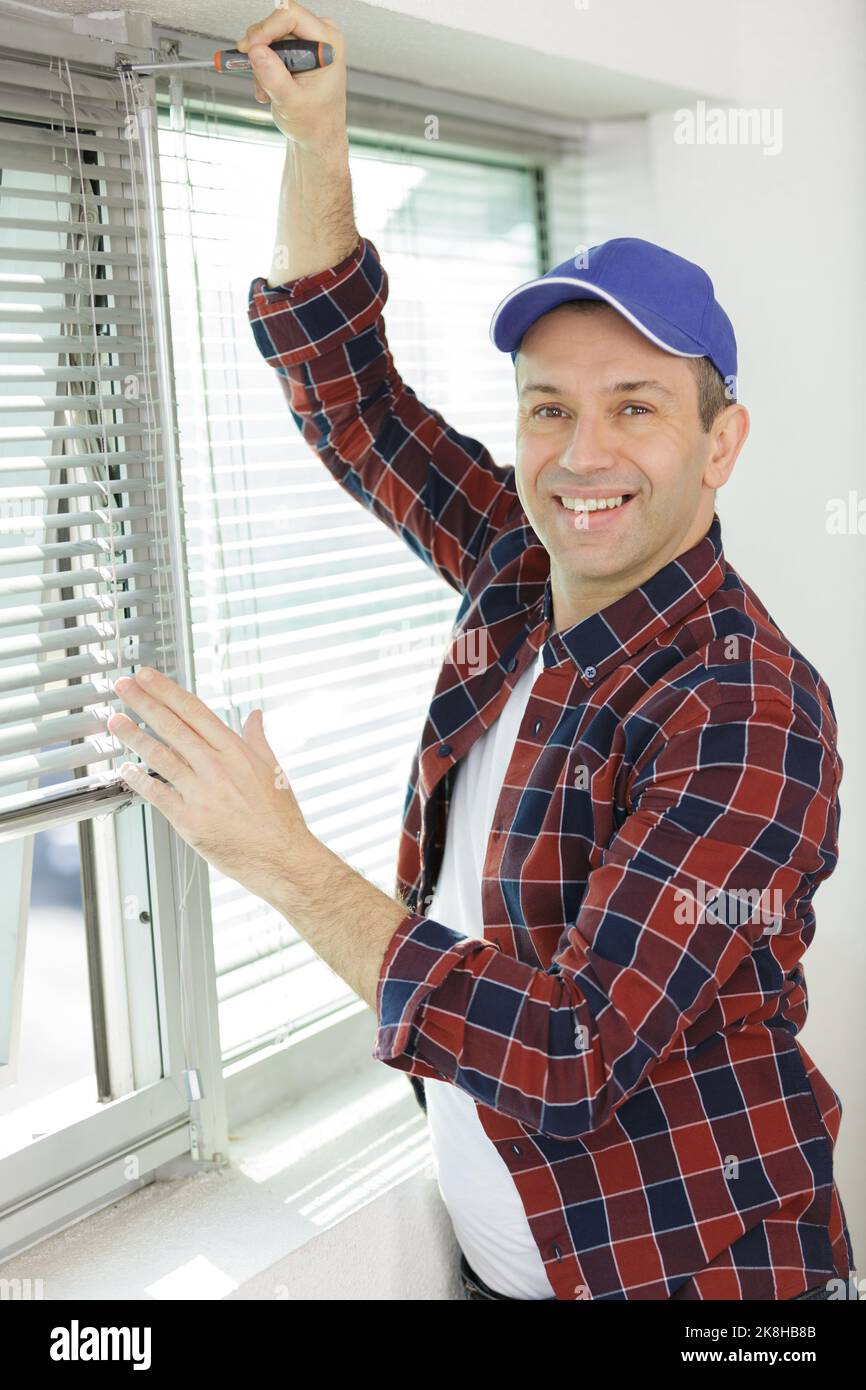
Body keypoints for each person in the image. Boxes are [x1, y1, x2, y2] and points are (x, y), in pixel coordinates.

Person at [108, 2, 857, 1301]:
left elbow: (567, 1050)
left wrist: (275, 855)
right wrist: (317, 139)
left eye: (635, 406)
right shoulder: (524, 570)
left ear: (717, 445)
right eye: (549, 407)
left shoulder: (745, 708)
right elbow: (351, 397)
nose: (582, 453)